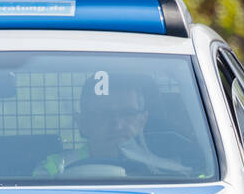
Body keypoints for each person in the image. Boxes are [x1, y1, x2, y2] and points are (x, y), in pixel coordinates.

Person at [34, 75, 185, 177]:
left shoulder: (174, 172)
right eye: (103, 114)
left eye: (128, 113)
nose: (117, 125)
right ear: (82, 123)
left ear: (143, 120)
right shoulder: (52, 170)